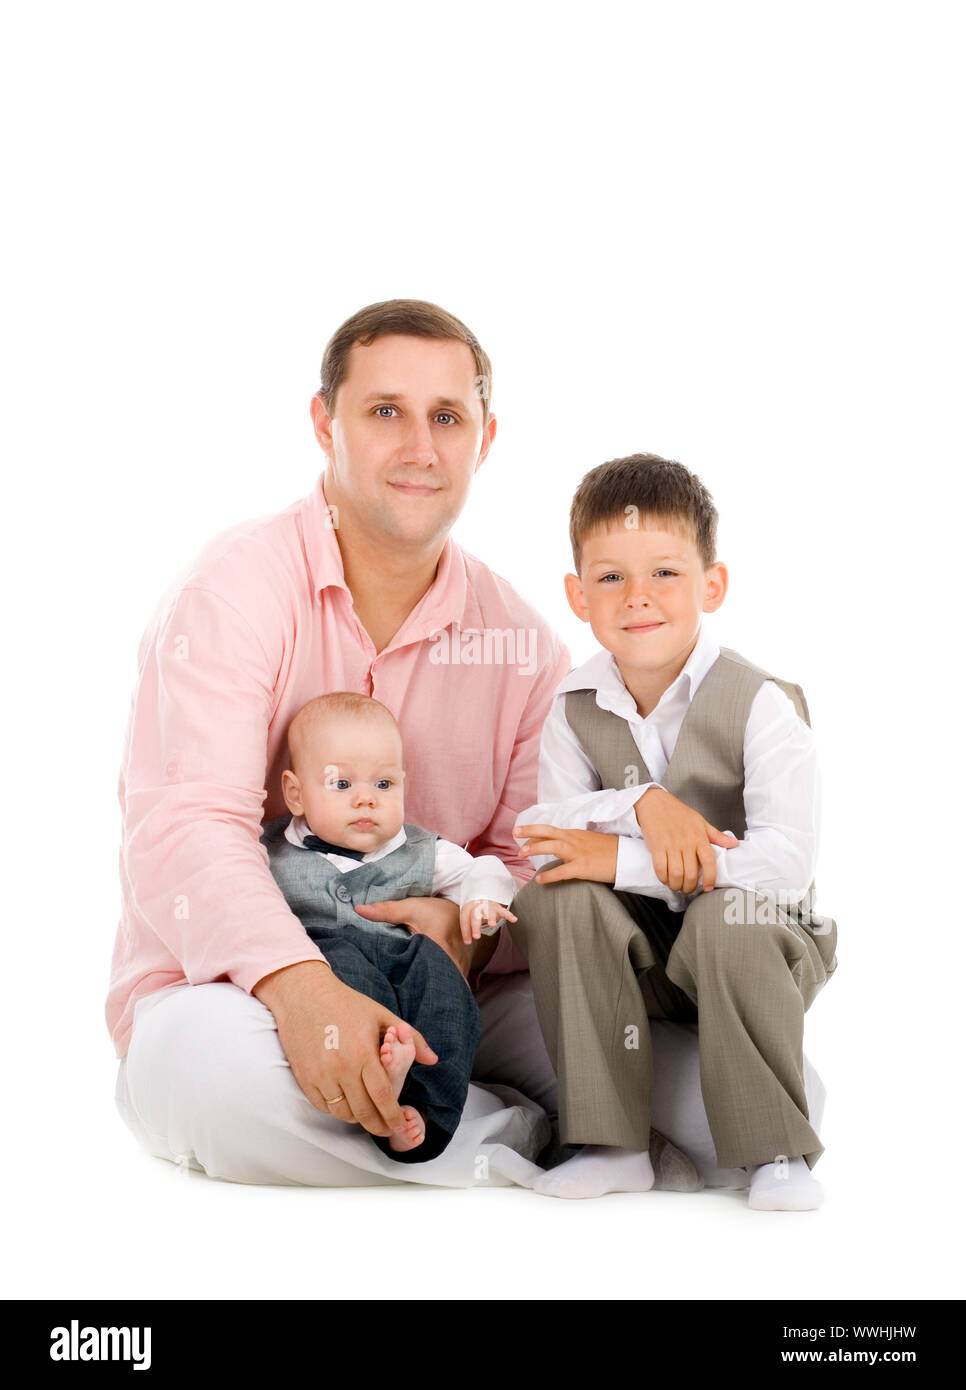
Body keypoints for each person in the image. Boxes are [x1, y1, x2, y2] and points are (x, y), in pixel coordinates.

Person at [108, 298, 574, 1187]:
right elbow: (185, 832)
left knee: (697, 1085)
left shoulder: (521, 641)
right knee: (224, 1083)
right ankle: (504, 1138)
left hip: (452, 990)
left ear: (486, 438)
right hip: (234, 995)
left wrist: (457, 933)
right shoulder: (235, 589)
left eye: (447, 417)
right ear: (326, 423)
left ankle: (455, 1113)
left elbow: (526, 862)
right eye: (385, 411)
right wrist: (305, 991)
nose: (419, 446)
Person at [510, 452, 839, 1209]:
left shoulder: (761, 704)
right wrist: (641, 808)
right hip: (647, 959)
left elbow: (783, 870)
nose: (638, 599)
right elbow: (547, 832)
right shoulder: (574, 705)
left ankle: (776, 1153)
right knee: (559, 897)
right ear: (577, 594)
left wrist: (620, 859)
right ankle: (612, 1142)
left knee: (728, 914)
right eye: (610, 577)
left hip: (757, 946)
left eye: (664, 573)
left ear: (710, 585)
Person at [261, 690, 517, 1162]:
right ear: (295, 793)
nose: (366, 800)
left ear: (403, 783)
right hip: (326, 963)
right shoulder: (269, 850)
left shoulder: (420, 849)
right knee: (342, 973)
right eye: (341, 785)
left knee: (442, 983)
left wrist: (481, 900)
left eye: (384, 785)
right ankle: (380, 1082)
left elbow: (482, 867)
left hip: (404, 958)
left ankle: (429, 1108)